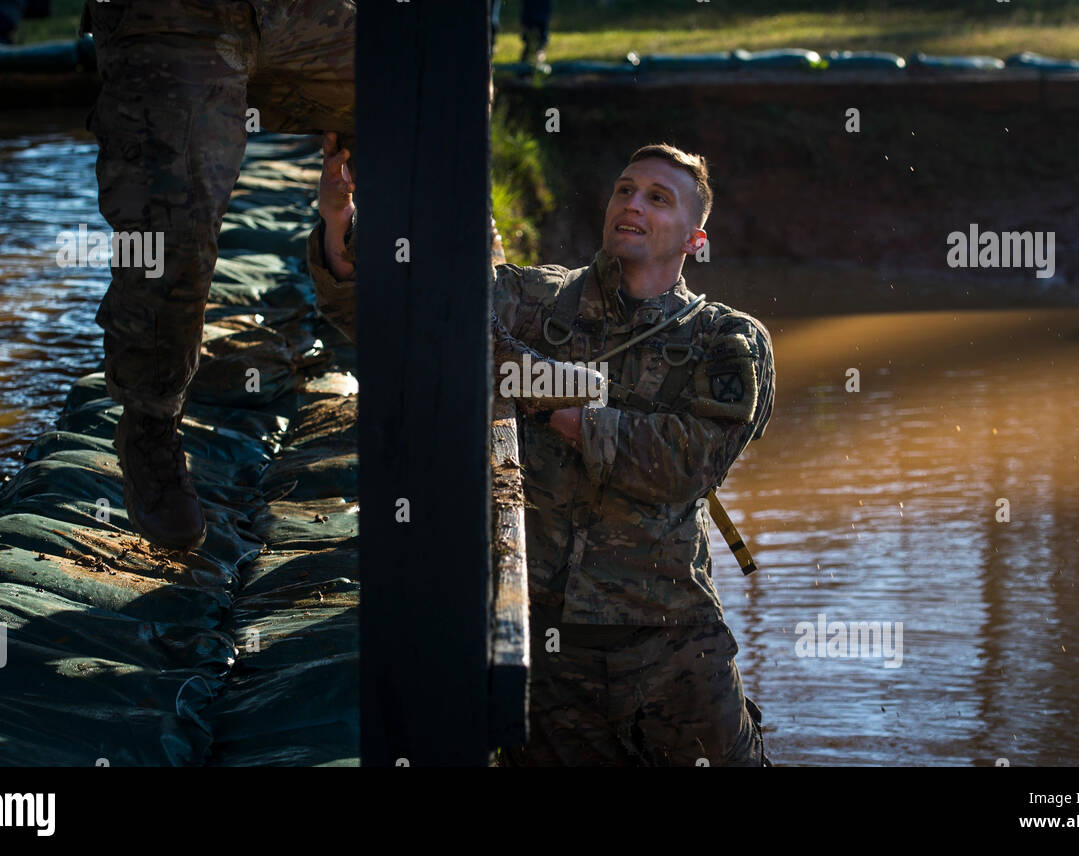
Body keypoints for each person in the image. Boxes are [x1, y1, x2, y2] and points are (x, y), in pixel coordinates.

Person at [310, 139, 776, 766]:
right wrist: (344, 231)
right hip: (548, 653)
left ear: (695, 238)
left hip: (671, 650)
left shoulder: (725, 339)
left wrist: (545, 397)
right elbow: (408, 319)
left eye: (658, 198)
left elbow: (684, 463)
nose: (632, 203)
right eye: (624, 189)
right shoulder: (536, 302)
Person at [80, 0, 355, 550]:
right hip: (181, 16)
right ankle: (151, 423)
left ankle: (422, 363)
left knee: (430, 76)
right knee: (174, 216)